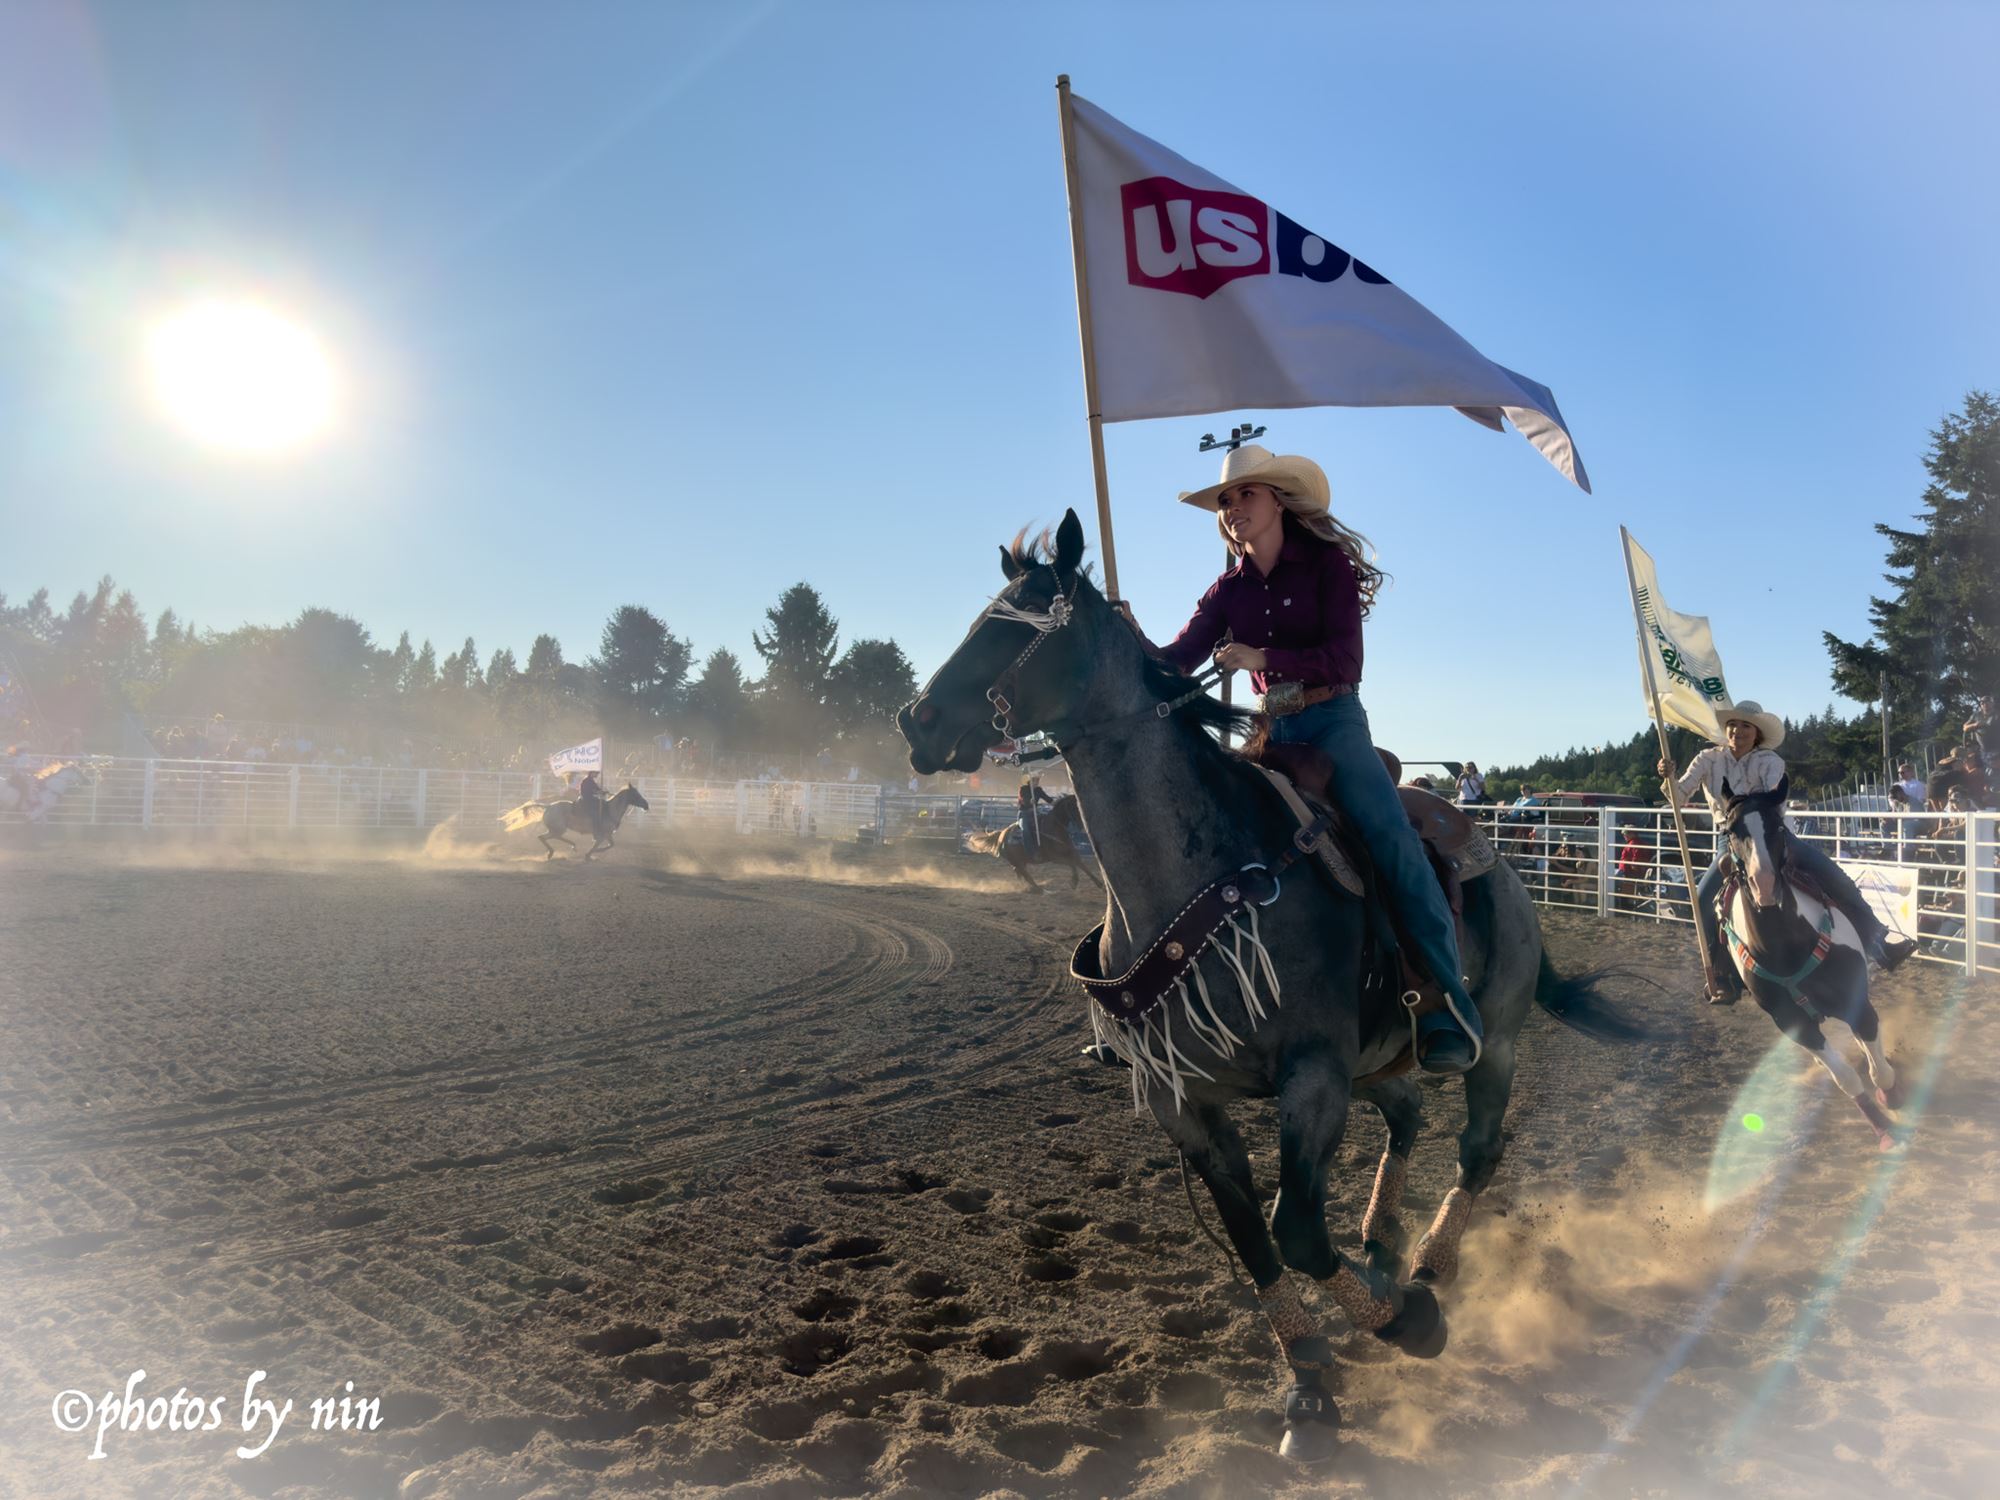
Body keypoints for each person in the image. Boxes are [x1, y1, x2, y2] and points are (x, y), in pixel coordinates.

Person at [1122, 444, 1482, 1075]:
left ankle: (1446, 1005)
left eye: (1246, 494)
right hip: (1271, 729)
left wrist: (1262, 658)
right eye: (1225, 500)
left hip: (1333, 721)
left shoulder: (1326, 566)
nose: (1233, 507)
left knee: (1391, 837)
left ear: (1279, 502)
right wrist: (1127, 638)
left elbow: (1347, 661)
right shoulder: (1226, 591)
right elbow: (1176, 662)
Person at [1659, 701, 1914, 1004]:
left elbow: (1773, 803)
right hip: (1732, 837)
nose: (1737, 730)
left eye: (1745, 726)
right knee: (1703, 899)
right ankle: (1722, 974)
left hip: (1772, 834)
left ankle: (1878, 943)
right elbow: (1678, 796)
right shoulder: (1707, 759)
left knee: (1835, 876)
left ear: (1757, 733)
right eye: (1733, 725)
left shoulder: (1770, 761)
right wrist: (1668, 777)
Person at [576, 768, 606, 840]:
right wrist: (599, 792)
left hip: (590, 799)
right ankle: (596, 833)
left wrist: (601, 792)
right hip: (586, 800)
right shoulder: (587, 781)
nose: (597, 774)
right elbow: (590, 791)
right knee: (595, 815)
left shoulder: (590, 780)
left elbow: (596, 789)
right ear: (592, 773)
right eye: (596, 773)